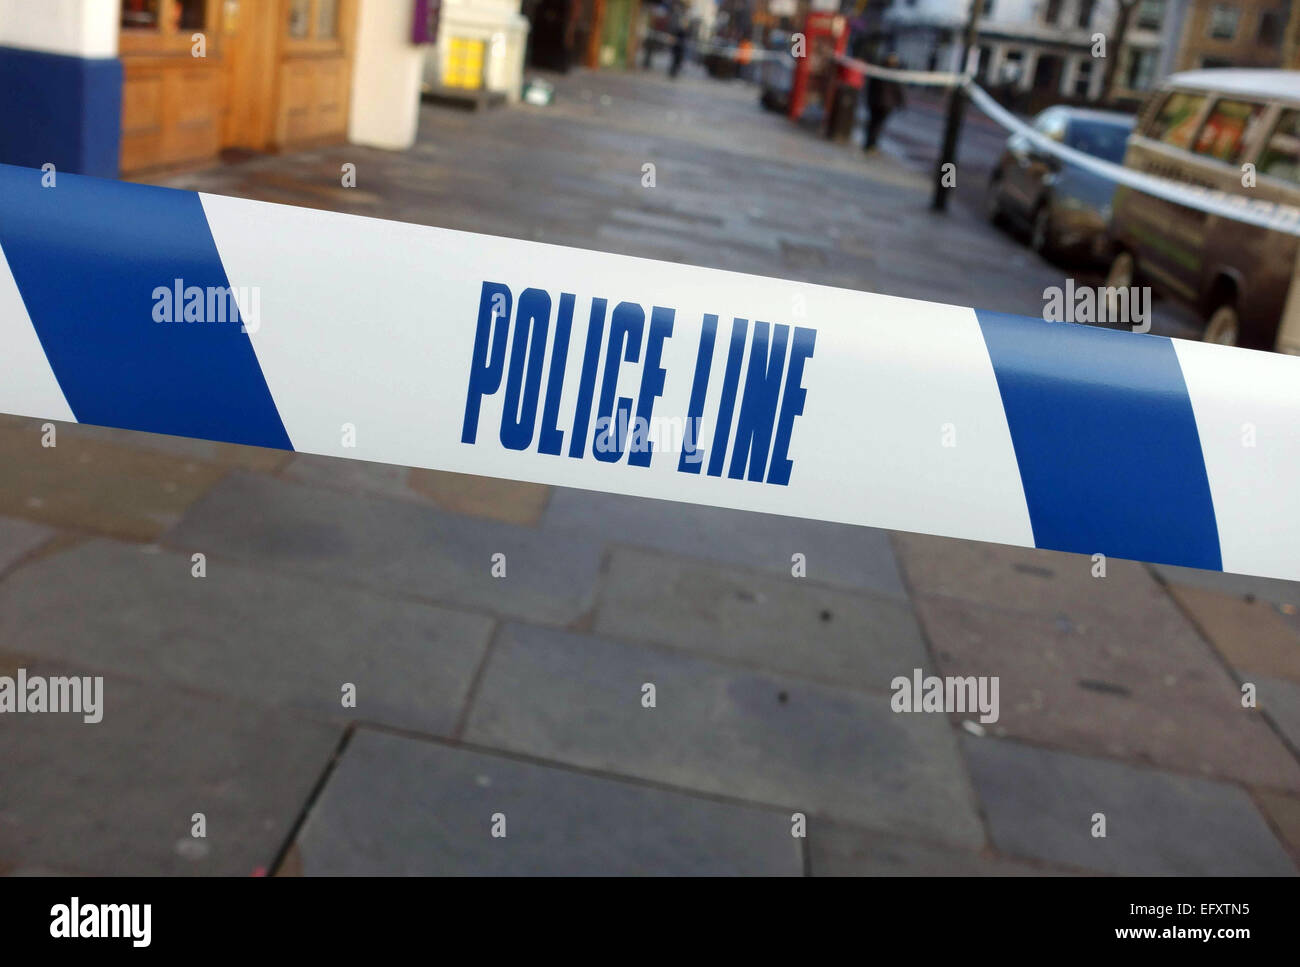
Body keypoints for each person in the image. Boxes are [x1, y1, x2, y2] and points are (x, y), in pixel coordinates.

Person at [863, 53, 905, 151]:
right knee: (878, 124)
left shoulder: (879, 71)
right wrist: (901, 103)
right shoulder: (893, 73)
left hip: (877, 103)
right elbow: (898, 90)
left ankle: (870, 143)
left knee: (873, 123)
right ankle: (872, 143)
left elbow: (870, 88)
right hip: (886, 104)